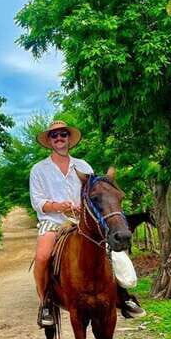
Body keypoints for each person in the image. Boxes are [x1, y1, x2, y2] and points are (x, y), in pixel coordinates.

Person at [29, 120, 145, 326]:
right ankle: (45, 302)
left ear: (68, 139)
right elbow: (37, 201)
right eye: (54, 135)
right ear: (49, 140)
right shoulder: (39, 170)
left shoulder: (83, 166)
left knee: (112, 246)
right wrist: (58, 206)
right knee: (42, 256)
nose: (59, 138)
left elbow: (93, 192)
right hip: (53, 221)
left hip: (81, 220)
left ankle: (124, 295)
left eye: (63, 134)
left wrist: (83, 207)